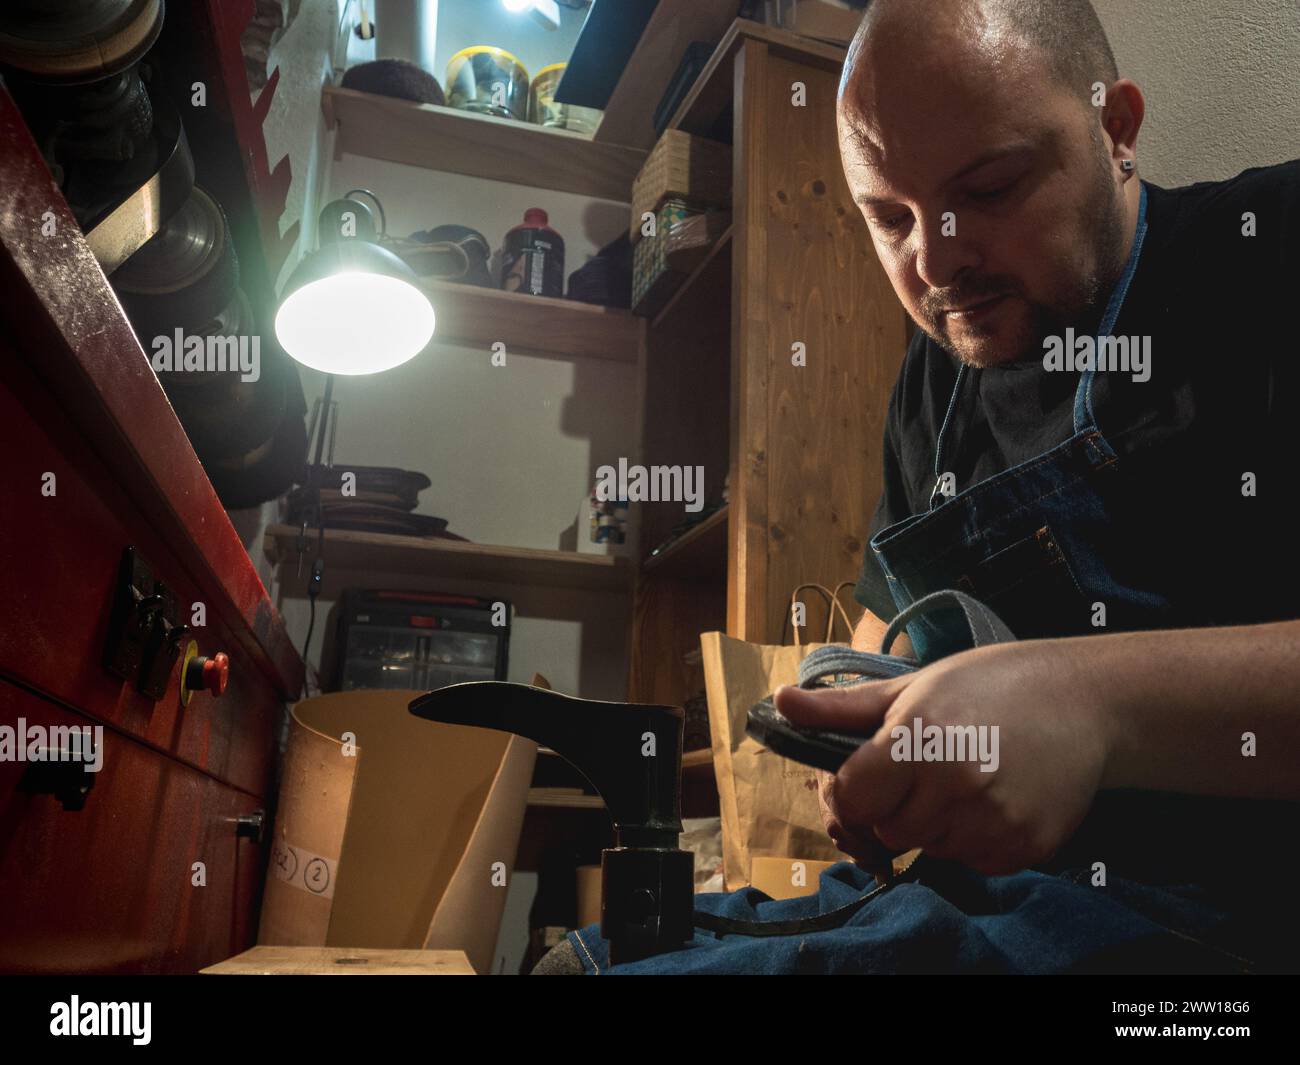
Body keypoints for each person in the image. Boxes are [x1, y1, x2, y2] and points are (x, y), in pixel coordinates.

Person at [771, 0, 1299, 970]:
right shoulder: (932, 390)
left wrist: (1086, 707)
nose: (933, 259)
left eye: (991, 189)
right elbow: (874, 646)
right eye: (888, 218)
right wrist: (869, 745)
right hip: (990, 912)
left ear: (1116, 128)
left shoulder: (1271, 254)